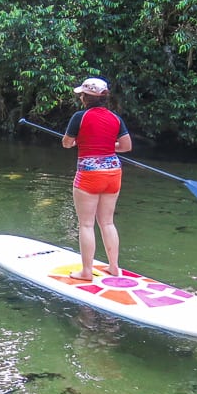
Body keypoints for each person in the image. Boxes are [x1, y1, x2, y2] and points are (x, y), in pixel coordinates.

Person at [61, 77, 132, 281]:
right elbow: (126, 147)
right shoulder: (116, 118)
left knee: (86, 225)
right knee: (107, 222)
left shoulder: (79, 117)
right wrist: (109, 148)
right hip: (113, 173)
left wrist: (76, 142)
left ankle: (86, 272)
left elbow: (67, 143)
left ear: (85, 97)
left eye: (82, 95)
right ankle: (114, 267)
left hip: (89, 175)